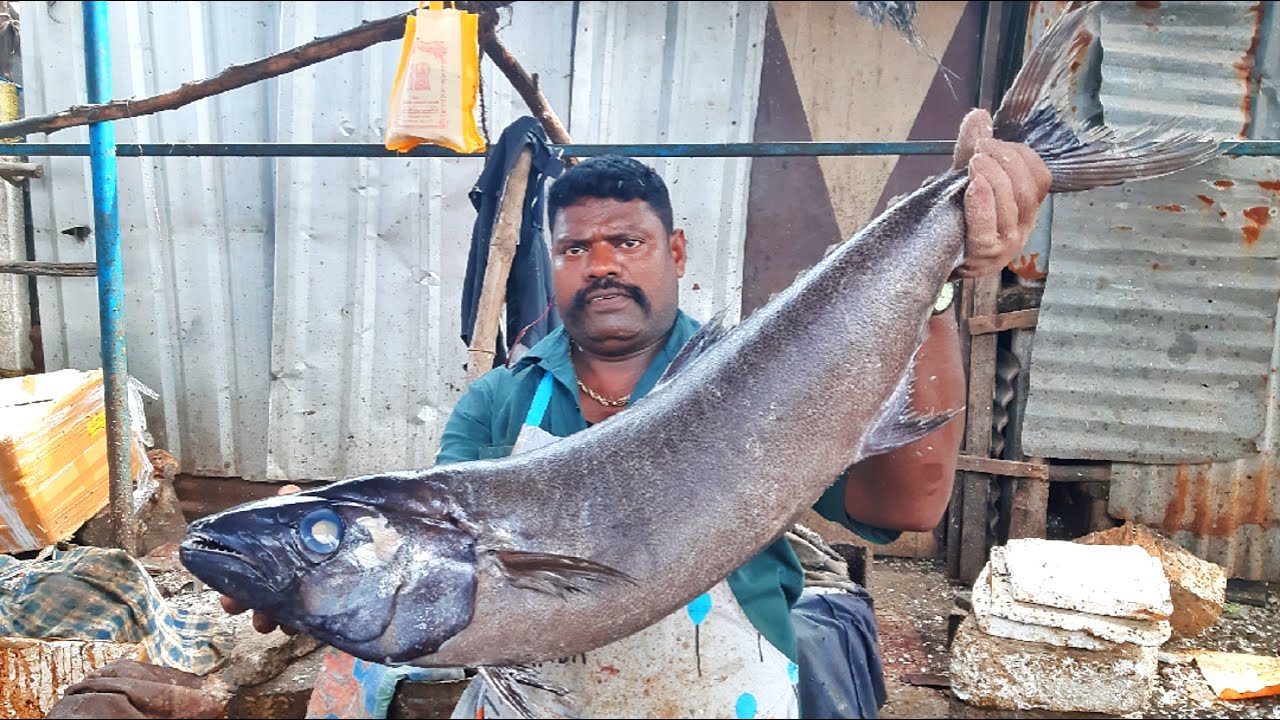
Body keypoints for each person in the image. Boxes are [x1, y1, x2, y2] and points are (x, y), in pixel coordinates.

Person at [223, 107, 1050, 718]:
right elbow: (434, 588)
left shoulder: (756, 387)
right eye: (576, 249)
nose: (603, 266)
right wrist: (310, 577)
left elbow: (904, 507)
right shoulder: (501, 402)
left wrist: (943, 281)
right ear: (551, 264)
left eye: (630, 242)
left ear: (676, 252)